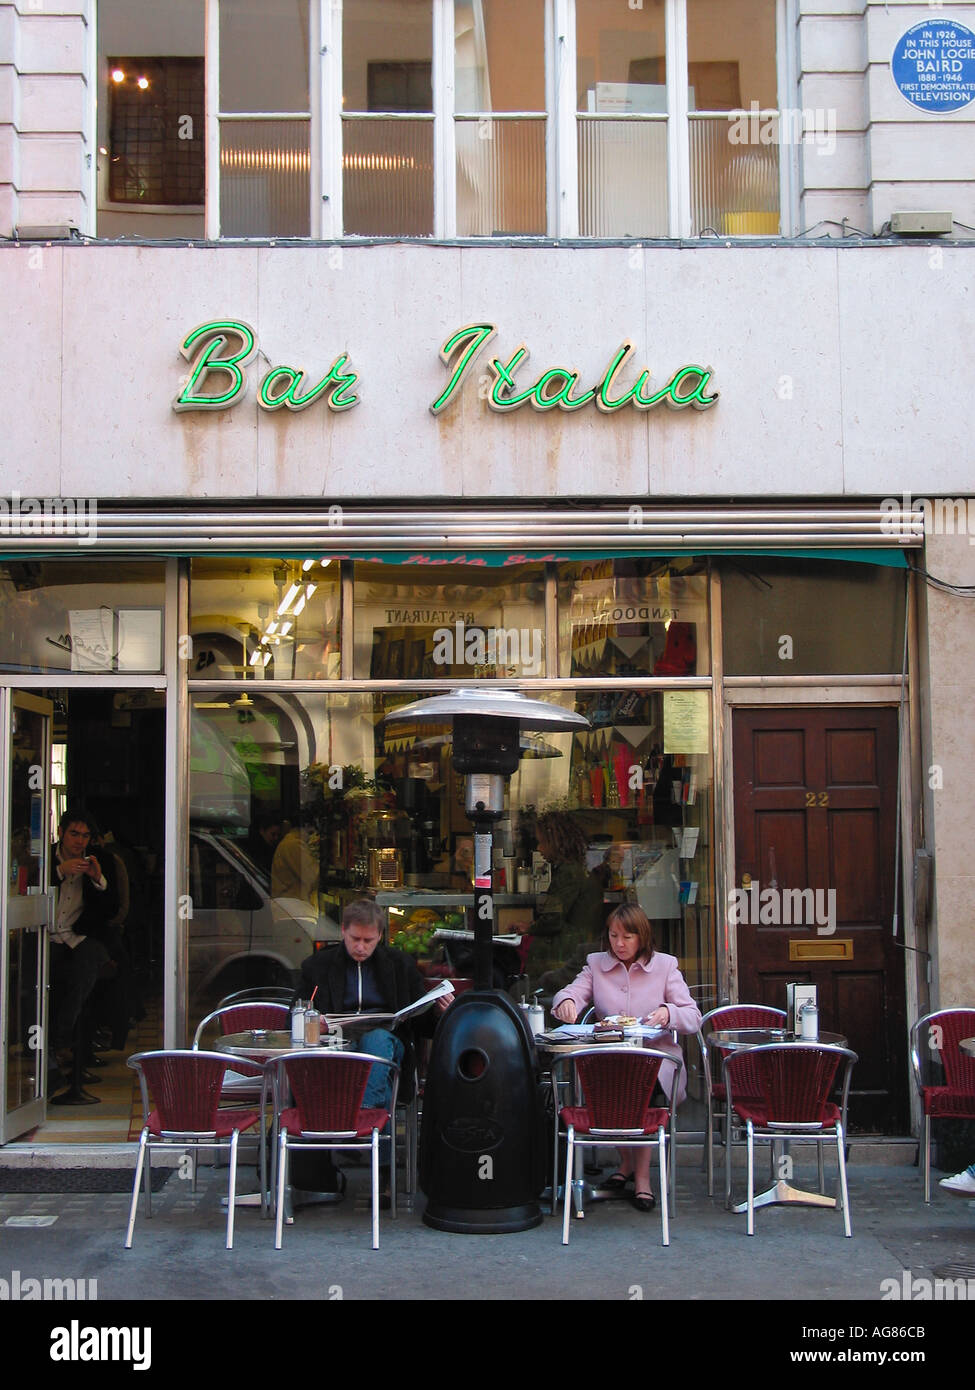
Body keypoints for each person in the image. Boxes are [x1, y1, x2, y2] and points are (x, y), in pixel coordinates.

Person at [551, 902, 702, 1213]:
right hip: (610, 1062)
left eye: (627, 937)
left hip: (655, 1061)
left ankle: (642, 1177)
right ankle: (626, 1163)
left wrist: (667, 1013)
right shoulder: (596, 964)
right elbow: (572, 992)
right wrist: (566, 1002)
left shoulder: (665, 966)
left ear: (642, 937)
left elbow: (692, 1017)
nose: (618, 944)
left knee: (645, 1094)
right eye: (613, 936)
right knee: (606, 1096)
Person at [296, 898, 452, 1199]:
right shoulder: (318, 966)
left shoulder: (399, 965)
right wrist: (316, 1020)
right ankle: (369, 1138)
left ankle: (363, 1121)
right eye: (355, 939)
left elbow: (419, 1023)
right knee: (360, 1048)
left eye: (369, 940)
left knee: (376, 1041)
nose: (361, 947)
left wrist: (438, 1012)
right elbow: (297, 1010)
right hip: (336, 1045)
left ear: (380, 936)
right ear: (343, 931)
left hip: (384, 1043)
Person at [48, 809, 118, 1069]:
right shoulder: (45, 858)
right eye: (74, 834)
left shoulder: (99, 861)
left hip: (78, 936)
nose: (79, 841)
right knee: (38, 976)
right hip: (46, 936)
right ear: (61, 834)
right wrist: (58, 872)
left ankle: (62, 1040)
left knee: (86, 967)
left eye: (85, 836)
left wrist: (97, 879)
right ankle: (45, 1041)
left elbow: (112, 910)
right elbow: (28, 890)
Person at [520, 811, 603, 992]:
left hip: (563, 955)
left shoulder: (568, 873)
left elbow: (552, 919)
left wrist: (529, 928)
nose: (539, 849)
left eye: (542, 842)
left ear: (555, 842)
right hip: (576, 949)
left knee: (520, 991)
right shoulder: (579, 870)